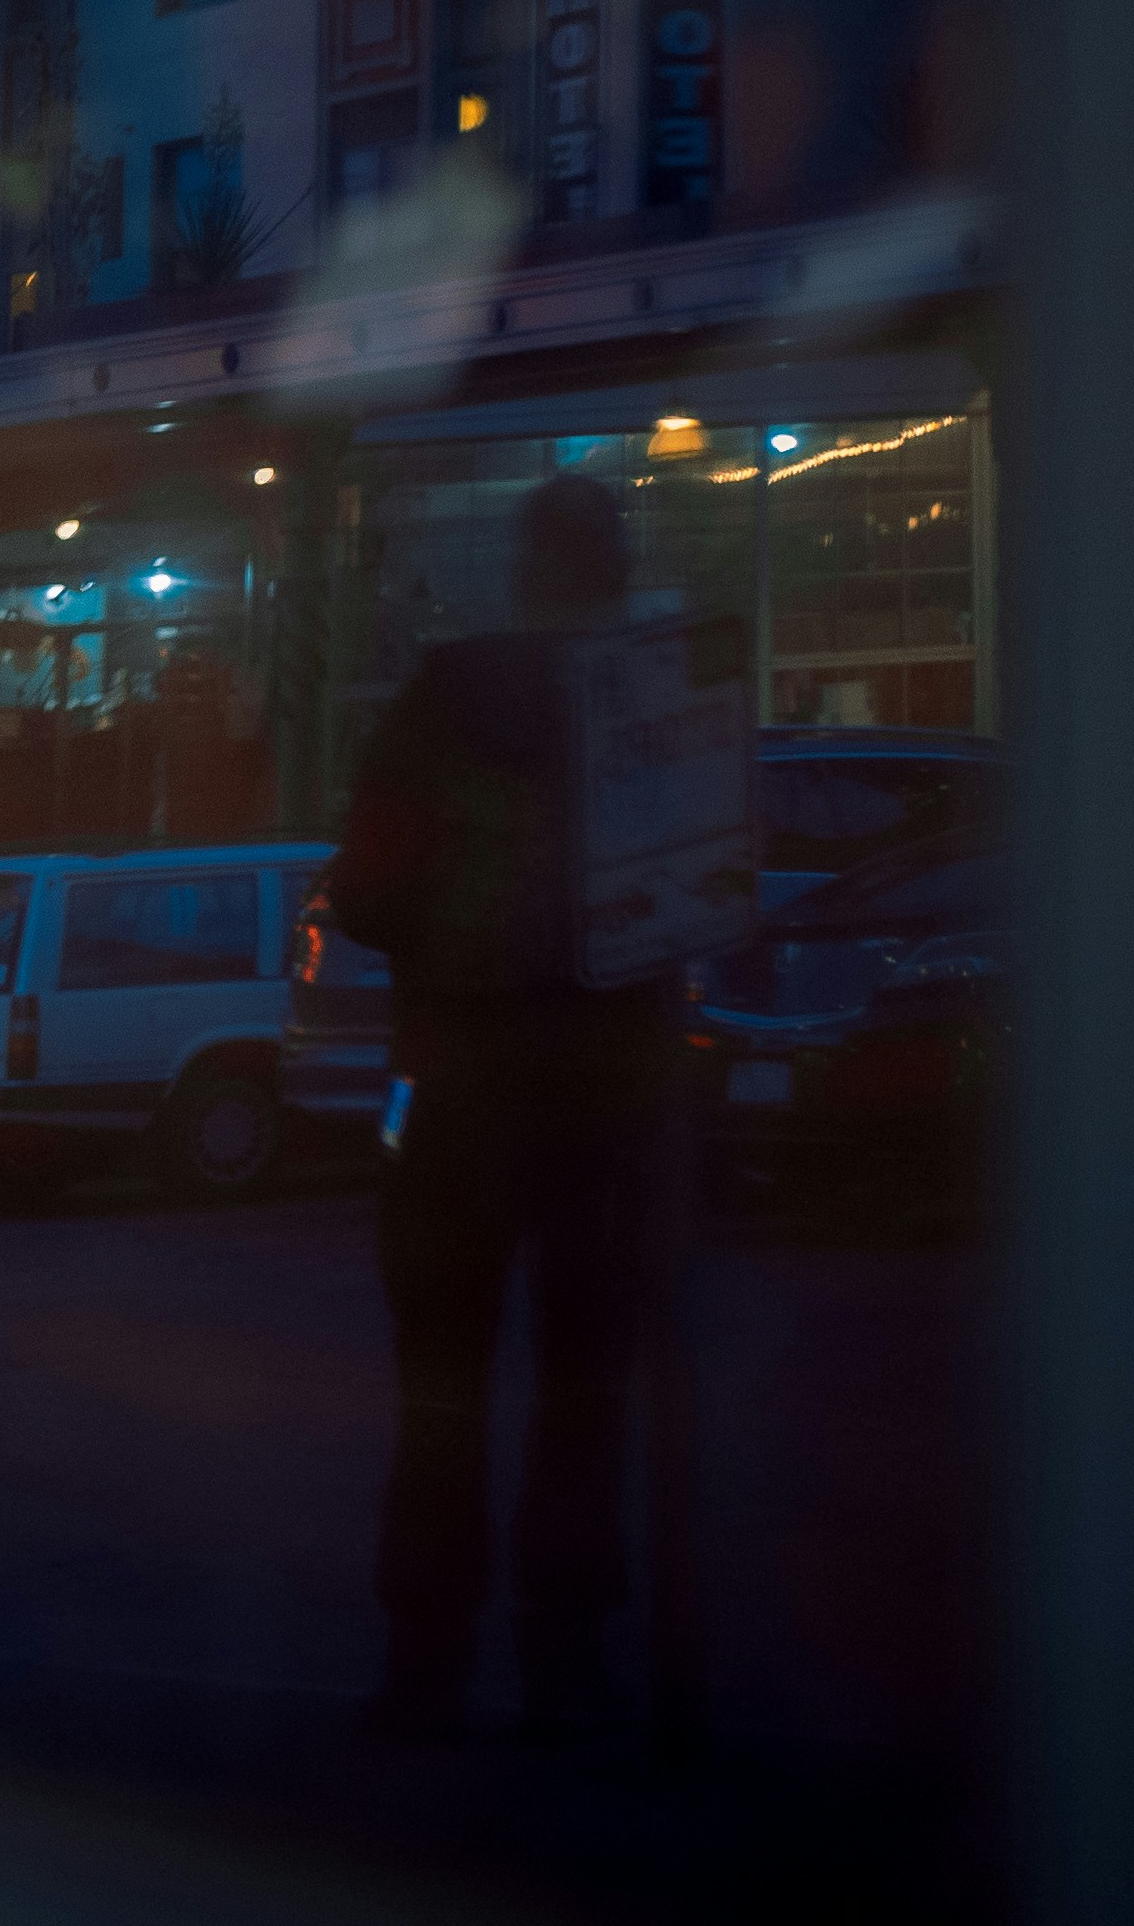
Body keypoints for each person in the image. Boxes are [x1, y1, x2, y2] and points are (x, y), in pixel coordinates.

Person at [327, 472, 671, 1741]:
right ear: (616, 575)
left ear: (520, 574)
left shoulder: (437, 706)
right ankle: (565, 1664)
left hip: (445, 1099)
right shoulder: (654, 701)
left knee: (438, 1395)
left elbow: (361, 899)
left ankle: (424, 1667)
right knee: (585, 1397)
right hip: (607, 1104)